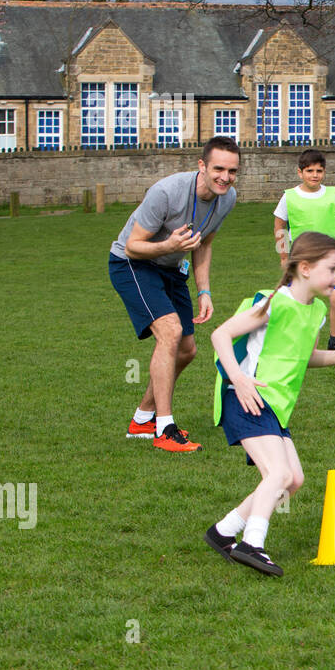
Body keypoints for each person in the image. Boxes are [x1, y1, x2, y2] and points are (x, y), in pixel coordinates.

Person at [206, 232, 335, 576]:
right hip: (247, 398)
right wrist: (238, 378)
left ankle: (222, 532)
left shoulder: (317, 311)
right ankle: (253, 544)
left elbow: (303, 356)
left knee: (292, 480)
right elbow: (220, 334)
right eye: (333, 268)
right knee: (278, 474)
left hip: (276, 406)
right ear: (305, 268)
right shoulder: (274, 302)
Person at [109, 135, 240, 453]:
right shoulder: (166, 192)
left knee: (186, 349)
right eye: (218, 169)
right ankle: (164, 429)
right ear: (202, 166)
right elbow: (132, 245)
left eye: (232, 171)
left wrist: (204, 291)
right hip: (132, 265)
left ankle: (142, 419)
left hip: (170, 269)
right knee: (170, 331)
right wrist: (169, 246)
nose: (225, 177)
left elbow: (204, 243)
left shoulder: (228, 198)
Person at [274, 148, 335, 349]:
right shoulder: (289, 197)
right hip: (302, 259)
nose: (315, 175)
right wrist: (284, 255)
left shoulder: (331, 194)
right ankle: (293, 339)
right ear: (300, 173)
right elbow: (279, 226)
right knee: (297, 300)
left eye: (319, 171)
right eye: (309, 171)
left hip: (331, 258)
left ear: (324, 172)